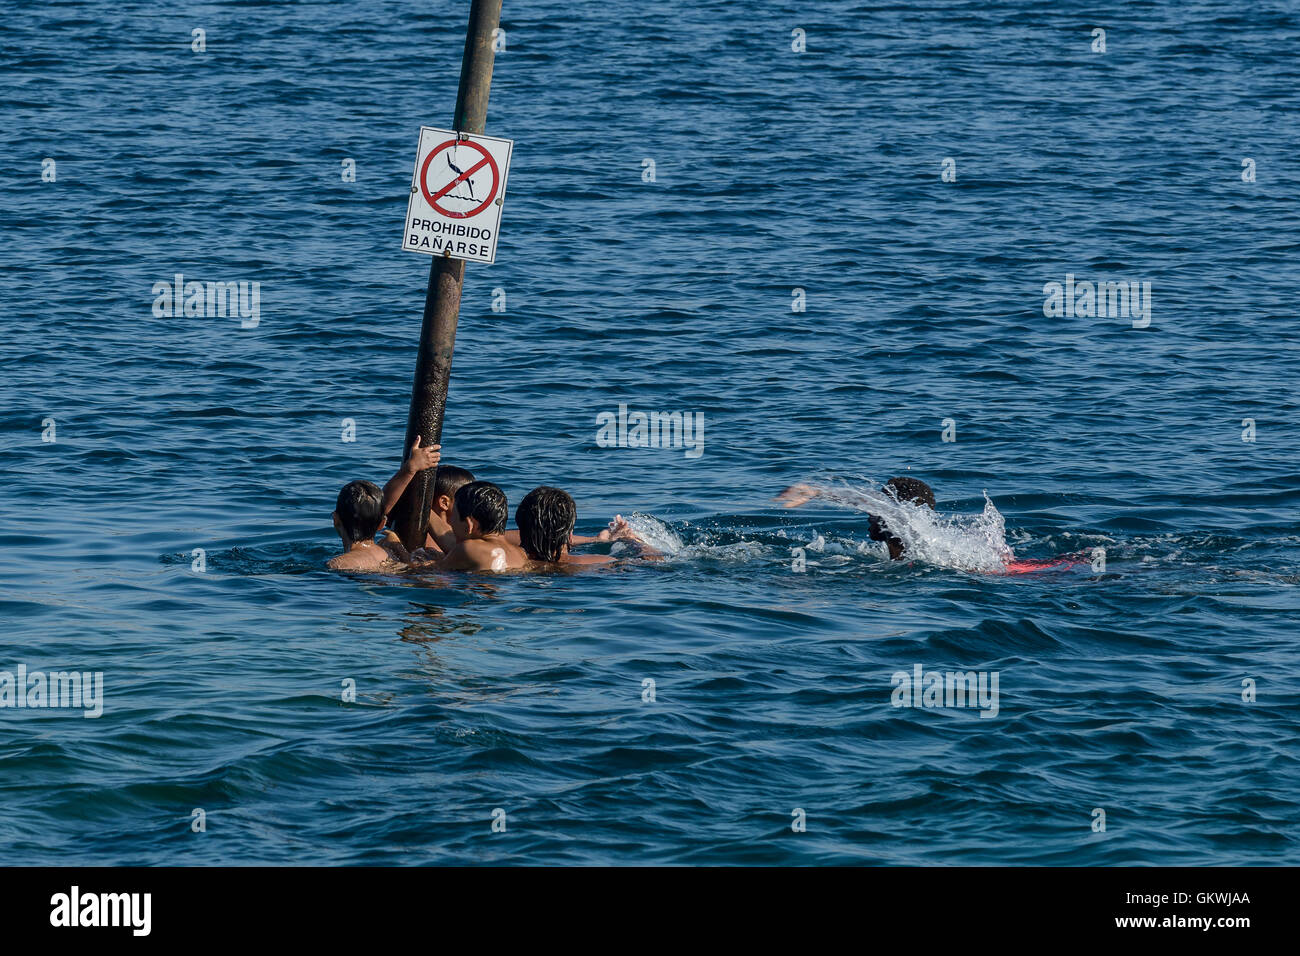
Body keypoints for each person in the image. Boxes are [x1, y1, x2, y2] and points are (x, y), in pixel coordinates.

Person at [328, 438, 441, 570]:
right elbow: (382, 507)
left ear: (336, 519)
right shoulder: (390, 552)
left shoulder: (339, 564)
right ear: (382, 523)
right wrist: (410, 468)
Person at [778, 476, 936, 560]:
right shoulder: (918, 547)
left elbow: (880, 504)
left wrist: (816, 492)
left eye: (872, 509)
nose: (869, 515)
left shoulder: (907, 538)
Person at [422, 480, 529, 571]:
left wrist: (419, 559)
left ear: (470, 524)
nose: (452, 524)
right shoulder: (520, 553)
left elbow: (426, 570)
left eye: (453, 517)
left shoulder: (467, 548)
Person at [514, 486, 621, 567]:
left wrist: (595, 539)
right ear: (570, 534)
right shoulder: (604, 561)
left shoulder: (510, 562)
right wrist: (632, 541)